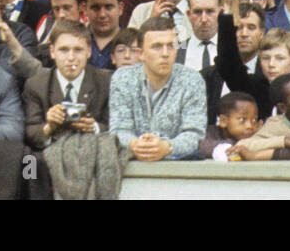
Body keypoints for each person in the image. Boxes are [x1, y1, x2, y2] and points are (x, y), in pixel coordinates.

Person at [108, 16, 206, 161]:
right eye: (157, 47)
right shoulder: (122, 78)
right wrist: (135, 144)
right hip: (132, 167)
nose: (165, 53)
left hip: (178, 169)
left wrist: (166, 147)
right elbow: (119, 130)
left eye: (171, 46)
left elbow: (194, 134)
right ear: (140, 54)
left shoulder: (192, 80)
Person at [22, 19, 111, 150]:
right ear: (52, 52)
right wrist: (49, 127)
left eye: (78, 50)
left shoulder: (106, 82)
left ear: (89, 51)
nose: (71, 57)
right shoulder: (36, 85)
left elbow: (118, 126)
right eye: (64, 50)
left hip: (93, 152)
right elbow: (29, 133)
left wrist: (94, 128)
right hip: (51, 155)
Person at [199, 92, 262, 161]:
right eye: (242, 119)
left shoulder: (256, 137)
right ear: (223, 121)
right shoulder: (207, 135)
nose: (249, 126)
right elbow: (204, 146)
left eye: (254, 120)